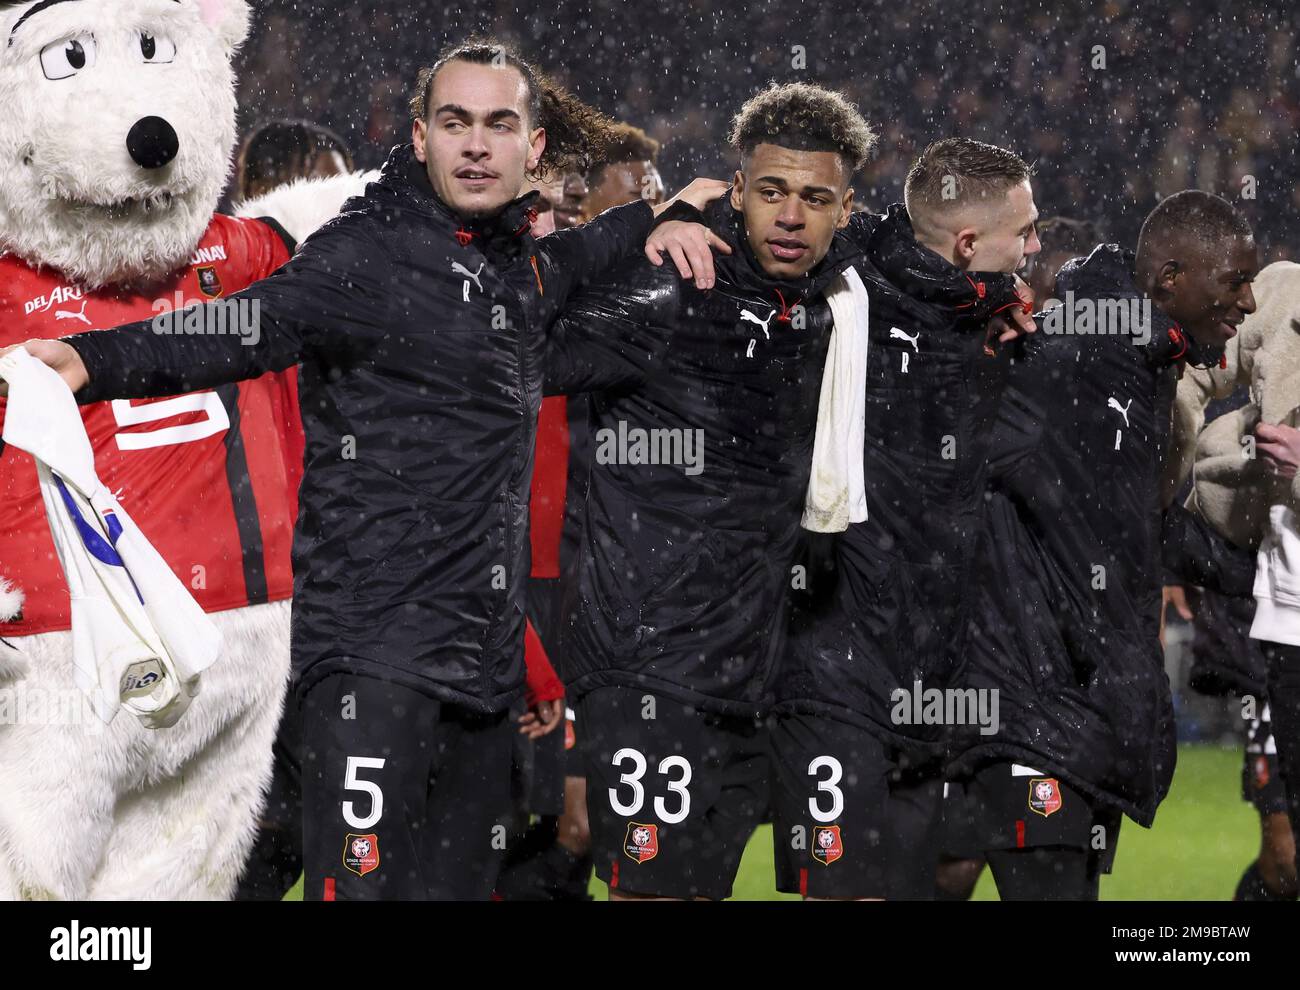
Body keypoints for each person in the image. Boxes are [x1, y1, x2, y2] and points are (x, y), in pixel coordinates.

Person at [1, 40, 721, 902]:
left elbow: (575, 262)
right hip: (371, 670)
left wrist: (657, 217)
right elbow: (244, 325)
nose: (477, 145)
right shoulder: (366, 253)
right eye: (456, 124)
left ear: (532, 149)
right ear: (419, 139)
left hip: (481, 680)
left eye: (499, 125)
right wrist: (91, 362)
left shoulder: (514, 266)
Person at [544, 89, 1029, 901]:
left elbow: (935, 266)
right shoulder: (673, 284)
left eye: (814, 198)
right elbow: (513, 335)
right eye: (771, 192)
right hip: (651, 667)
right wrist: (641, 223)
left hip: (758, 672)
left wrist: (997, 300)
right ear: (736, 192)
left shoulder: (838, 291)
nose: (791, 217)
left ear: (846, 209)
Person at [948, 190, 1260, 900]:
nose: (1245, 304)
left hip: (1085, 709)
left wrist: (1249, 569)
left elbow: (1135, 524)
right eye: (1234, 281)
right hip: (1032, 701)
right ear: (1171, 278)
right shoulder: (1070, 350)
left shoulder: (1142, 364)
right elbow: (956, 461)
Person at [771, 138, 1038, 901]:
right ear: (965, 243)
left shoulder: (981, 325)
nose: (1035, 246)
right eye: (1024, 231)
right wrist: (681, 214)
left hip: (929, 675)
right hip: (832, 663)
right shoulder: (843, 289)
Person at [236, 119, 355, 202]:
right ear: (261, 191)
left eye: (345, 189)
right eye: (321, 189)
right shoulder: (223, 237)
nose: (342, 203)